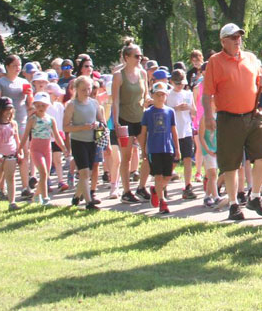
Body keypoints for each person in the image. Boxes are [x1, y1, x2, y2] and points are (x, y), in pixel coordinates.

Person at [202, 22, 262, 221]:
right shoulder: (215, 62)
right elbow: (207, 94)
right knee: (231, 164)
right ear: (223, 41)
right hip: (228, 117)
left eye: (239, 36)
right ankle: (233, 204)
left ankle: (255, 196)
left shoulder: (250, 58)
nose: (237, 40)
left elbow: (260, 85)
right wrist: (208, 117)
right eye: (232, 37)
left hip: (253, 114)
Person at [111, 39, 151, 203]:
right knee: (126, 157)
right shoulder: (118, 76)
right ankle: (126, 191)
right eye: (136, 56)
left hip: (140, 119)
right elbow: (115, 100)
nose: (139, 58)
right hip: (125, 120)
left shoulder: (142, 73)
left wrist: (151, 100)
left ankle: (142, 187)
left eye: (140, 56)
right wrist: (116, 121)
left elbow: (146, 94)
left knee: (147, 154)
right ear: (127, 57)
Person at [0, 56, 32, 199]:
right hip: (4, 123)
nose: (18, 68)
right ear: (7, 66)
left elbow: (30, 104)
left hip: (21, 120)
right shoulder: (0, 83)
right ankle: (1, 188)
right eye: (14, 65)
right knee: (6, 154)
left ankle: (26, 187)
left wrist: (29, 95)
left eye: (19, 65)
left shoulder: (24, 82)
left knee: (24, 153)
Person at [62, 75, 104, 210]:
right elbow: (65, 127)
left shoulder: (94, 103)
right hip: (78, 141)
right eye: (83, 90)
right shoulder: (71, 105)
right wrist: (82, 127)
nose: (86, 92)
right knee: (84, 172)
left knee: (88, 173)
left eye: (88, 89)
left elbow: (102, 123)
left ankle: (76, 196)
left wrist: (97, 125)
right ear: (76, 90)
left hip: (92, 141)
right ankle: (88, 202)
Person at [142, 82, 179, 214]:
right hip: (154, 148)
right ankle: (162, 202)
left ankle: (156, 190)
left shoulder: (170, 111)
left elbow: (174, 131)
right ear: (153, 95)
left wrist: (177, 149)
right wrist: (143, 149)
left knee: (167, 176)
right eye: (157, 95)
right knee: (158, 175)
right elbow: (144, 132)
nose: (160, 97)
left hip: (167, 148)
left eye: (163, 95)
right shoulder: (148, 113)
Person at [24, 93, 64, 204]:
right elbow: (26, 134)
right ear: (35, 105)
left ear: (47, 106)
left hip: (47, 148)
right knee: (43, 172)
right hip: (36, 148)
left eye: (43, 105)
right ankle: (45, 197)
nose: (41, 108)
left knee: (46, 174)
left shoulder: (51, 119)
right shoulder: (32, 119)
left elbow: (56, 136)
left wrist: (64, 148)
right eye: (38, 105)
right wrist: (20, 148)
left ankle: (36, 195)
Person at [166, 68, 197, 200]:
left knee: (188, 158)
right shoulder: (168, 95)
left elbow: (194, 111)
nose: (180, 86)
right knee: (173, 159)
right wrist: (176, 109)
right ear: (172, 82)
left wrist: (189, 108)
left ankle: (188, 185)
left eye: (182, 83)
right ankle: (163, 184)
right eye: (177, 83)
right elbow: (165, 112)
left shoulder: (188, 94)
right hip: (173, 132)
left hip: (186, 130)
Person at [0, 97, 22, 209]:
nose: (8, 111)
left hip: (11, 153)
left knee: (10, 177)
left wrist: (20, 152)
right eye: (6, 109)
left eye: (10, 109)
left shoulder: (13, 123)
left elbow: (17, 139)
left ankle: (12, 202)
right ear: (0, 110)